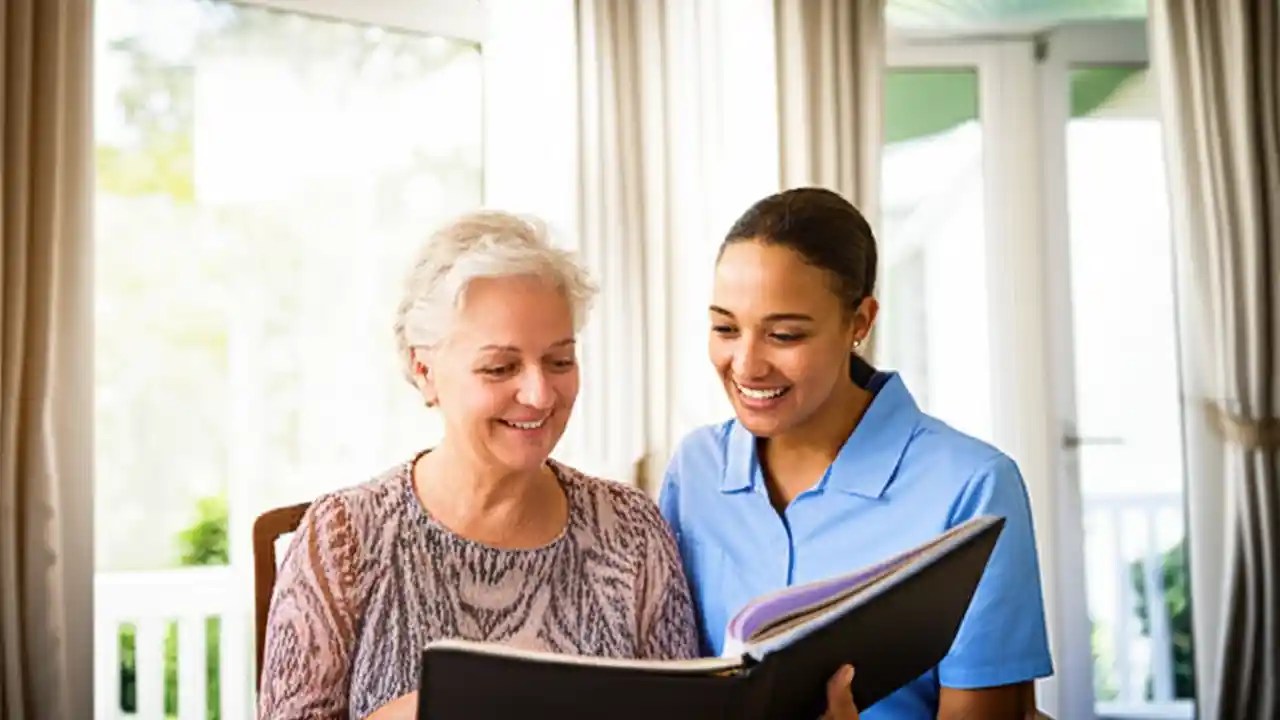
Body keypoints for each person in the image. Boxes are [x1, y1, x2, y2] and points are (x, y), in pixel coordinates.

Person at [258, 211, 699, 719]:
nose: (538, 395)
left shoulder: (631, 531)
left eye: (559, 361)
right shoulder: (344, 538)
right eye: (500, 368)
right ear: (425, 370)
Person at [660, 188, 1054, 719]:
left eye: (784, 334)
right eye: (725, 328)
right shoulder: (696, 470)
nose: (747, 364)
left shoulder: (972, 487)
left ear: (860, 323)